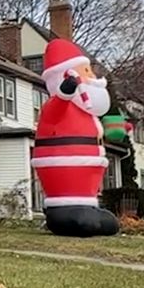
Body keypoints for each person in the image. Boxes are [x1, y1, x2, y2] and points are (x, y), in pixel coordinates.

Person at [32, 38, 120, 237]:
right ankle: (62, 213)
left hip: (87, 180)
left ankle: (88, 207)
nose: (92, 77)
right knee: (82, 222)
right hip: (62, 168)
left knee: (107, 223)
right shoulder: (56, 106)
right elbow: (55, 110)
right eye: (85, 71)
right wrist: (66, 91)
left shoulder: (87, 112)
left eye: (89, 71)